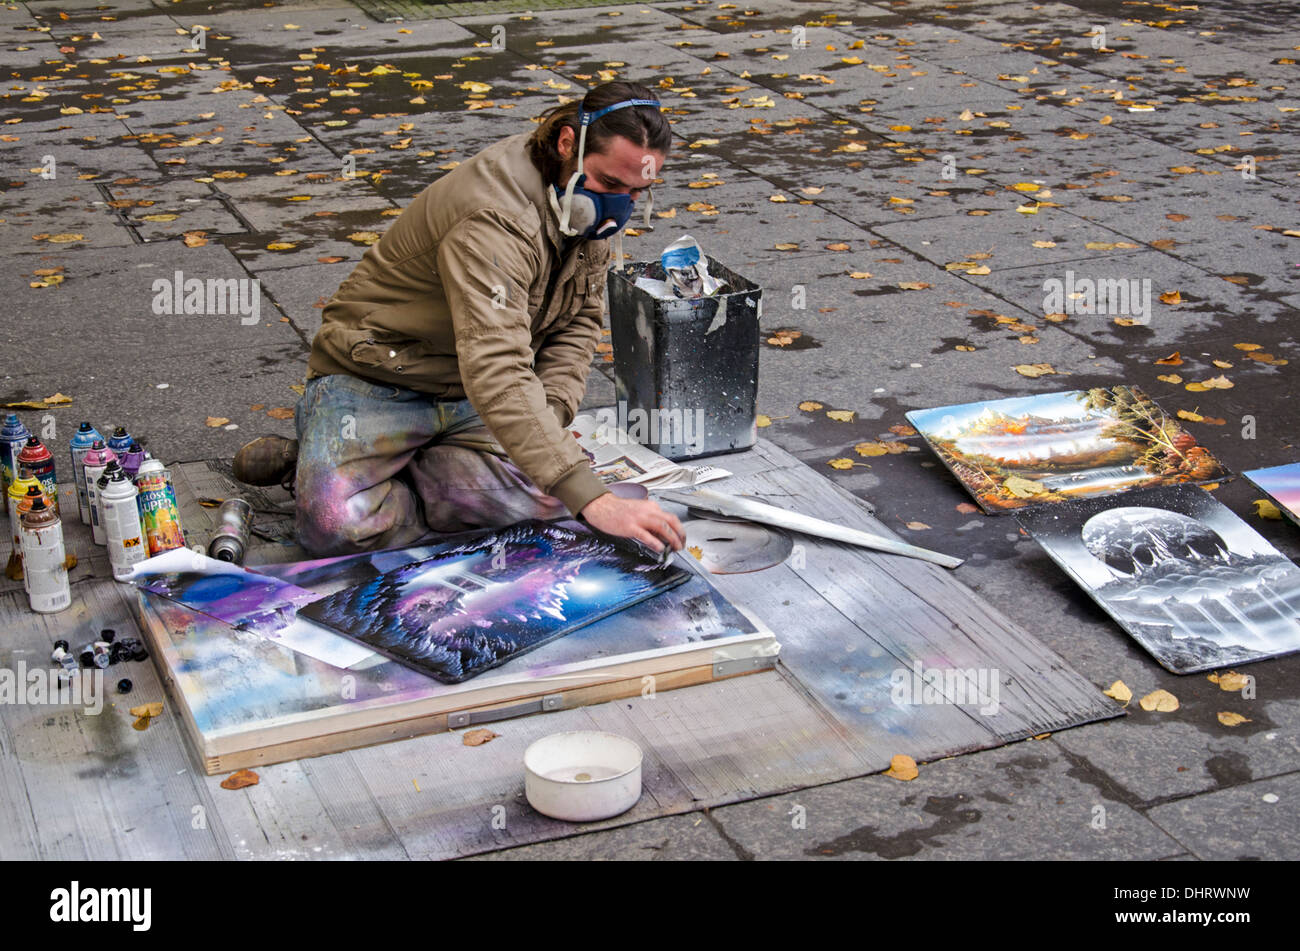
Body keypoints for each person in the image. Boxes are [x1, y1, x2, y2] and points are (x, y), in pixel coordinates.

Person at [233, 82, 686, 558]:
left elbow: (579, 319)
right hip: (382, 376)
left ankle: (393, 470)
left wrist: (550, 413)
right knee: (335, 526)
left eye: (638, 190)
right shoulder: (493, 217)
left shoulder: (577, 197)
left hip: (475, 396)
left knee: (557, 497)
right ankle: (330, 465)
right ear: (568, 144)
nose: (622, 207)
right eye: (612, 185)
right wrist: (589, 496)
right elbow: (497, 365)